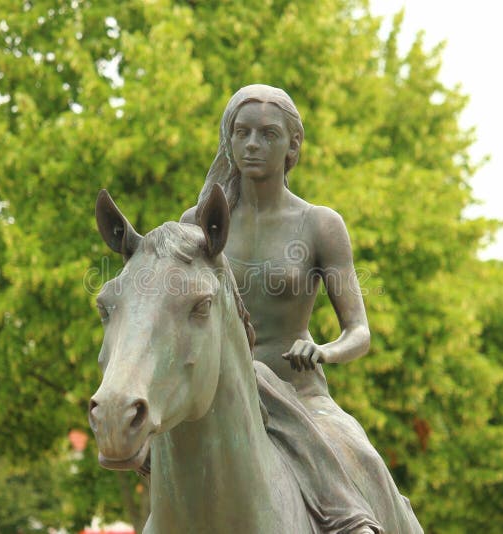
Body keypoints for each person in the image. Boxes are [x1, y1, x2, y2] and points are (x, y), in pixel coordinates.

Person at [181, 84, 423, 533]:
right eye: (242, 132)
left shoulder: (320, 225)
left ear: (293, 145)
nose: (252, 144)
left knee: (362, 461)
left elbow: (359, 332)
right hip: (217, 399)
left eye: (269, 134)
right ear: (229, 140)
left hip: (300, 396)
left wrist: (325, 351)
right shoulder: (196, 225)